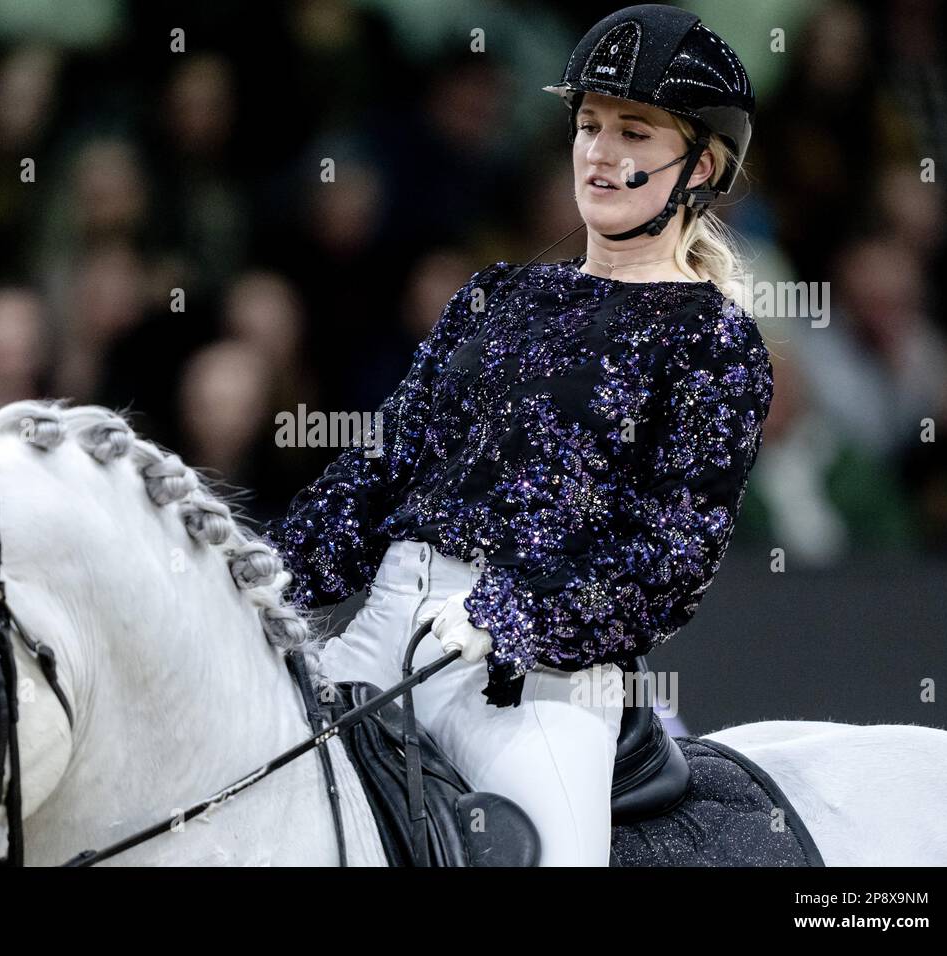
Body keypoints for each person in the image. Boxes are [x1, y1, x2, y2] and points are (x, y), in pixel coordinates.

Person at [260, 4, 772, 866]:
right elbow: (382, 467)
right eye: (588, 126)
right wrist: (263, 583)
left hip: (538, 681)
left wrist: (511, 618)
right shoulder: (498, 296)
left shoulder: (712, 340)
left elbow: (671, 559)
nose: (599, 153)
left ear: (702, 165)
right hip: (386, 622)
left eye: (634, 132)